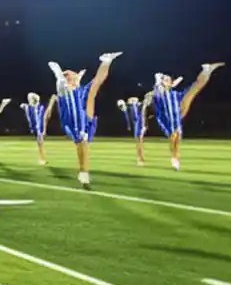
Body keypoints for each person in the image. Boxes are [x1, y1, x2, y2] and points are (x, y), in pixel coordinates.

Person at [48, 52, 123, 189]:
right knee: (82, 141)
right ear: (67, 77)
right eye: (71, 74)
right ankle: (83, 172)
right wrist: (58, 70)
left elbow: (98, 80)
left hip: (83, 113)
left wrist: (105, 63)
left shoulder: (79, 89)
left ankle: (106, 60)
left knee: (95, 85)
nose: (74, 73)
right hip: (72, 118)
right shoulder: (64, 88)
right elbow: (60, 77)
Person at [152, 63, 224, 170]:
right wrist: (158, 79)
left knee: (195, 88)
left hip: (176, 105)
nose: (165, 80)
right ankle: (174, 158)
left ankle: (206, 70)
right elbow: (158, 90)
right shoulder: (160, 91)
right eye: (164, 79)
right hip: (165, 116)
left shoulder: (173, 93)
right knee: (174, 136)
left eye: (167, 79)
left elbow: (171, 85)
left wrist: (172, 82)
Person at [19, 92, 54, 166]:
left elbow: (44, 118)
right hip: (35, 129)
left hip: (39, 129)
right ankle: (42, 159)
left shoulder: (40, 108)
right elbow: (24, 106)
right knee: (39, 144)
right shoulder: (29, 107)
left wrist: (43, 130)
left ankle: (42, 159)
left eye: (30, 99)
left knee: (40, 144)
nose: (29, 100)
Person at [117, 95, 150, 166]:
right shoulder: (136, 106)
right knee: (139, 141)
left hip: (140, 124)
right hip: (139, 124)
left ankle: (140, 159)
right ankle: (140, 158)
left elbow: (135, 116)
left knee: (139, 141)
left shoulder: (137, 106)